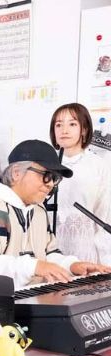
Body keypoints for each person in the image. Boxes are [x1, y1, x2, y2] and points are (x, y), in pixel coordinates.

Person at [0, 139, 111, 298]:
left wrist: (72, 265)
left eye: (55, 178)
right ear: (16, 173)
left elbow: (47, 254)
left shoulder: (39, 210)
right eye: (46, 175)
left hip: (22, 302)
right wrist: (35, 266)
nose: (51, 184)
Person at [49, 102, 111, 264]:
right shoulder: (44, 164)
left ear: (84, 129)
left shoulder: (99, 166)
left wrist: (105, 260)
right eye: (58, 125)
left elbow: (105, 214)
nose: (64, 130)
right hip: (48, 253)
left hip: (85, 253)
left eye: (72, 124)